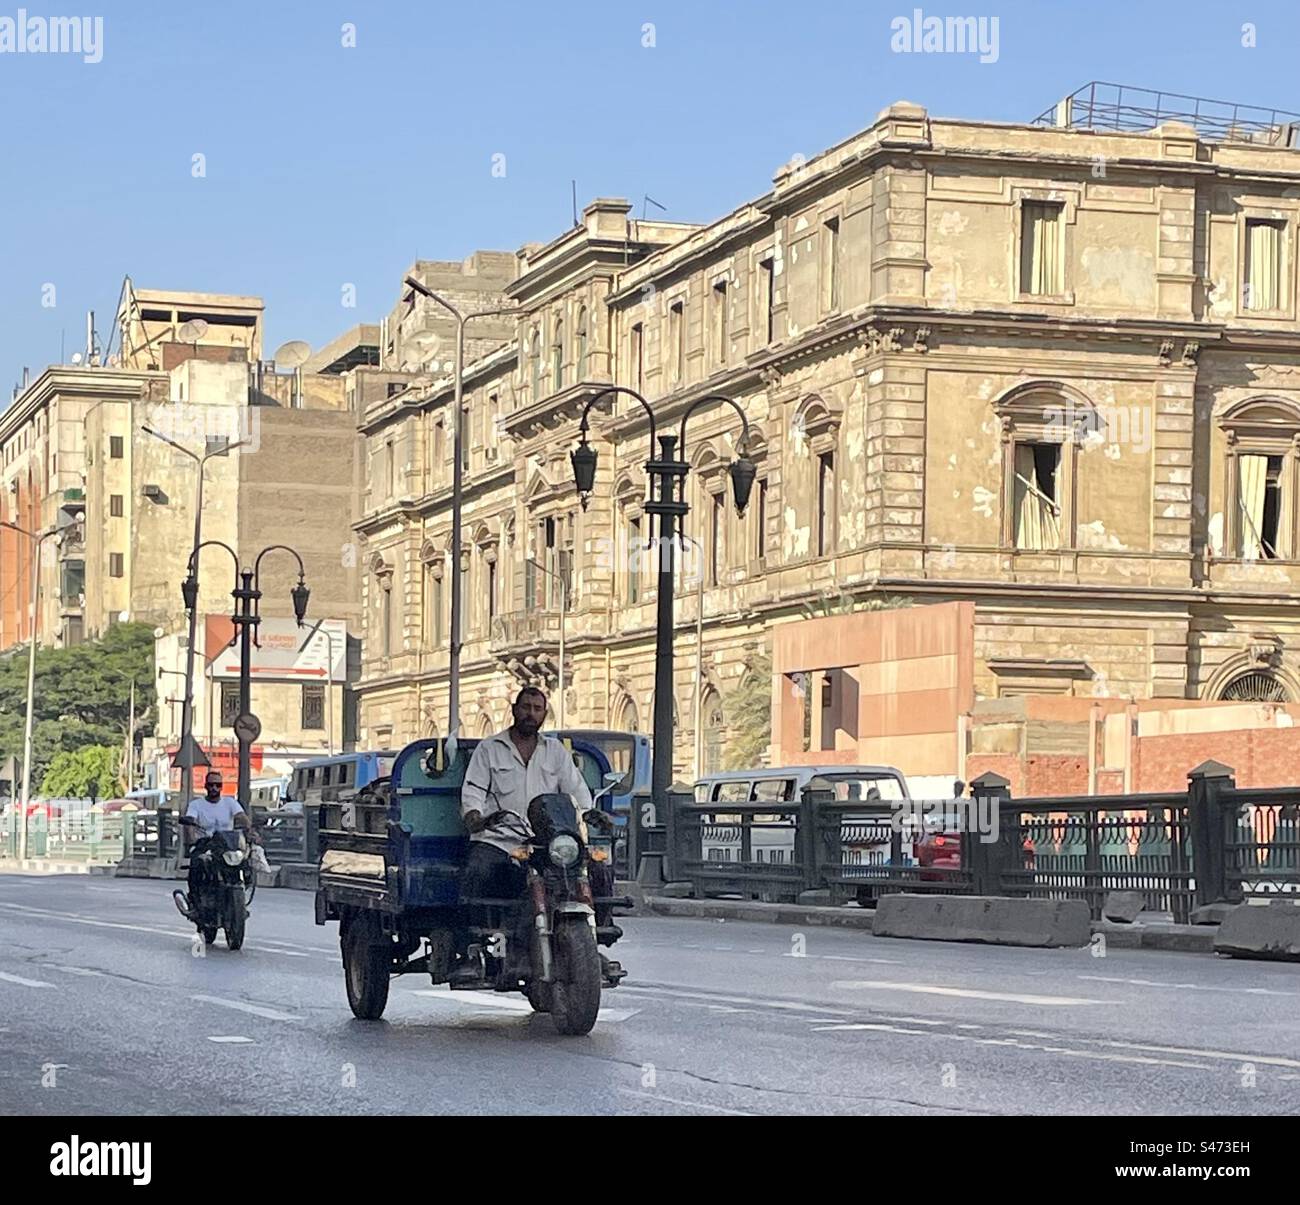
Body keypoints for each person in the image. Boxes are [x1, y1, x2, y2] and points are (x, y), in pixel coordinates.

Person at [454, 686, 592, 984]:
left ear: (544, 714)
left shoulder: (555, 751)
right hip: (500, 838)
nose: (531, 713)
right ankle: (468, 948)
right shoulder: (490, 749)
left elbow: (576, 789)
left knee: (592, 871)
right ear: (514, 709)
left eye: (537, 708)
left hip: (545, 841)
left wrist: (589, 812)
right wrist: (475, 816)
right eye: (526, 707)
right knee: (478, 871)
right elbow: (474, 790)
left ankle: (590, 944)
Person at [179, 770, 252, 920]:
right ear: (206, 786)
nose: (214, 788)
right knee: (197, 864)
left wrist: (250, 830)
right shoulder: (196, 805)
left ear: (221, 787)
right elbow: (190, 822)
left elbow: (242, 817)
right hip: (205, 844)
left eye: (217, 785)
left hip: (227, 844)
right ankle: (194, 902)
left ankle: (240, 896)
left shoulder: (230, 802)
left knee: (245, 862)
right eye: (211, 784)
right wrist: (191, 838)